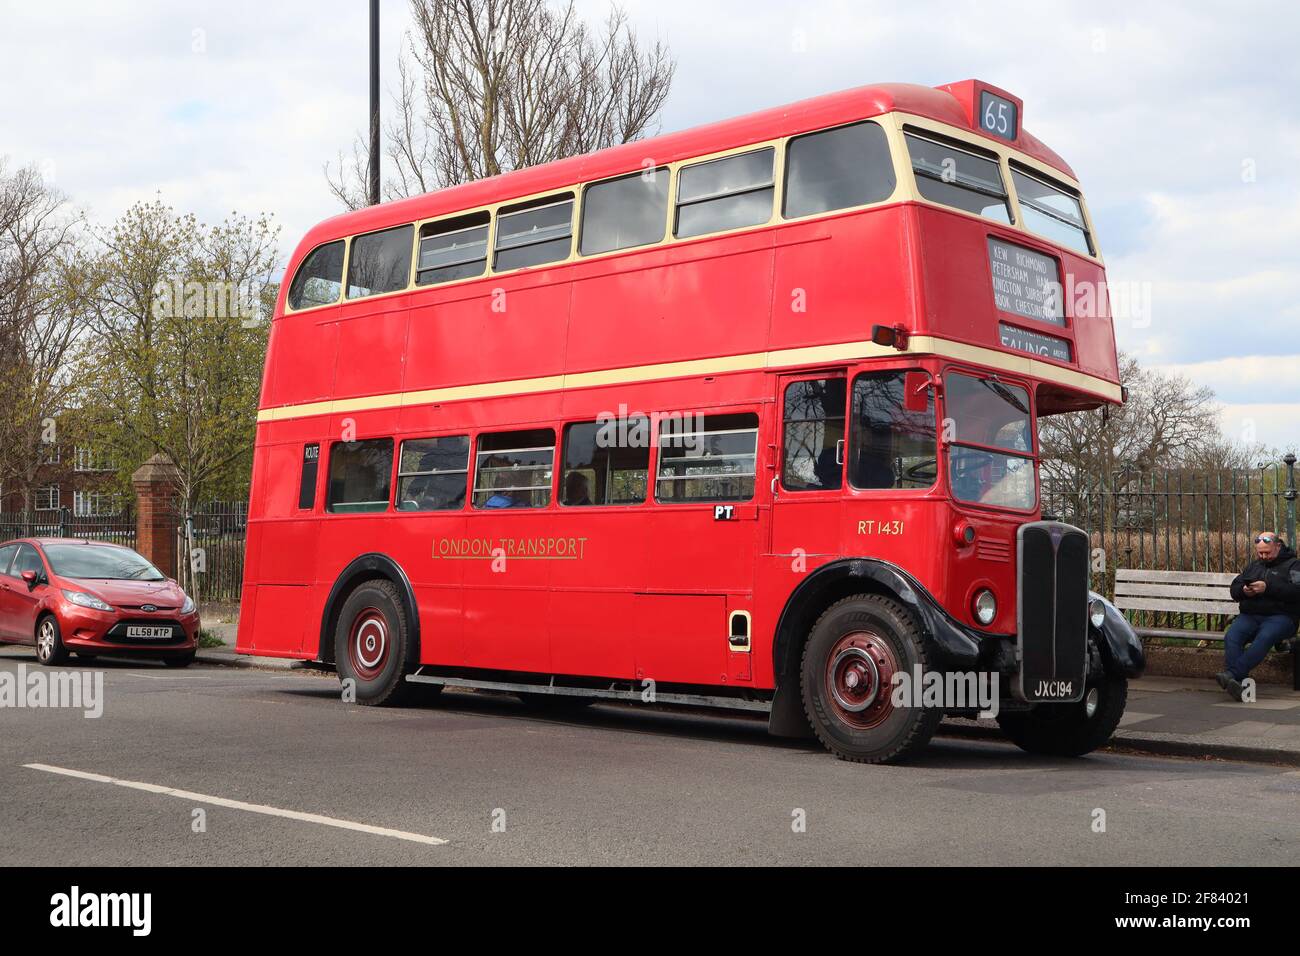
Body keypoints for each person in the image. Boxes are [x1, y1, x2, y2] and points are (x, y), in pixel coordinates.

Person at [1218, 531, 1300, 700]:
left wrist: (1268, 587)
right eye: (1260, 553)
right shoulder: (1254, 566)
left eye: (1267, 552)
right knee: (1232, 637)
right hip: (1251, 615)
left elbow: (1297, 592)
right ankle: (1239, 686)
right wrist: (1244, 591)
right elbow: (1235, 589)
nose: (1263, 556)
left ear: (1278, 546)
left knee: (1265, 637)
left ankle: (1232, 674)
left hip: (1282, 616)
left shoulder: (1294, 565)